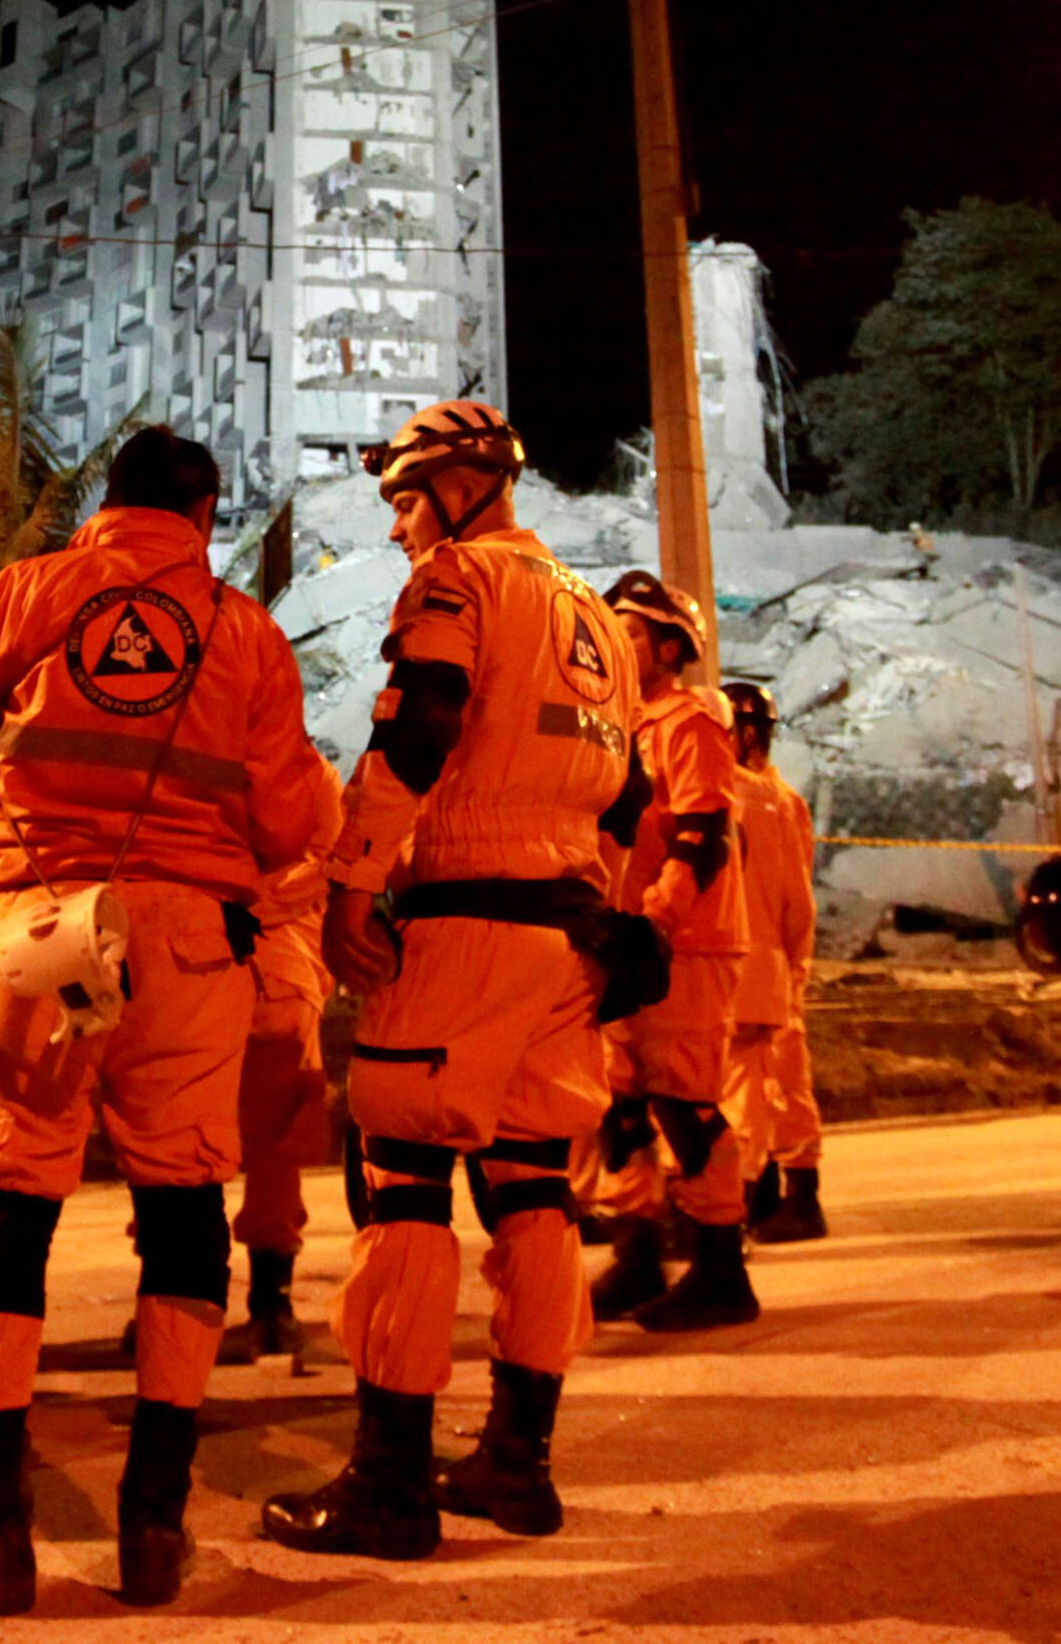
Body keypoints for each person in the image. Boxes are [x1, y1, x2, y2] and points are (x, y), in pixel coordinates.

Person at [0, 425, 320, 1613]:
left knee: (11, 1197)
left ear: (106, 502)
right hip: (190, 944)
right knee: (184, 1208)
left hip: (39, 929)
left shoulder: (20, 593)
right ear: (203, 509)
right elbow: (292, 828)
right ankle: (152, 1522)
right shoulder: (245, 632)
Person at [261, 402, 641, 1567]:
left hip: (467, 912)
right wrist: (606, 918)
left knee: (406, 1179)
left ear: (472, 484)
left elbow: (418, 730)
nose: (401, 520)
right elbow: (624, 796)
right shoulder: (599, 615)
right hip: (567, 928)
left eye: (411, 494)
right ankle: (519, 1465)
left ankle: (388, 1482)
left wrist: (353, 878)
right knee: (533, 1189)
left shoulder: (458, 583)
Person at [573, 570, 755, 1332]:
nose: (617, 638)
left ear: (671, 646)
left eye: (634, 630)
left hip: (683, 943)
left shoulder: (690, 720)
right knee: (619, 1105)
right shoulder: (617, 723)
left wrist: (656, 920)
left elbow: (703, 832)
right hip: (629, 938)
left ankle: (720, 1266)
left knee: (686, 1104)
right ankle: (637, 1248)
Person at [228, 752, 346, 1365]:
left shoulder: (192, 754)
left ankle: (167, 1296)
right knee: (277, 1146)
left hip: (194, 959)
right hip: (285, 967)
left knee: (168, 1135)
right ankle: (271, 1305)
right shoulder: (309, 771)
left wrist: (220, 909)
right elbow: (327, 862)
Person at [723, 681, 829, 1245]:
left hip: (742, 955)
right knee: (782, 1078)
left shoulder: (732, 795)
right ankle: (788, 1194)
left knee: (746, 1089)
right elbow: (800, 896)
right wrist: (796, 962)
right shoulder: (786, 801)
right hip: (775, 955)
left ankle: (747, 1200)